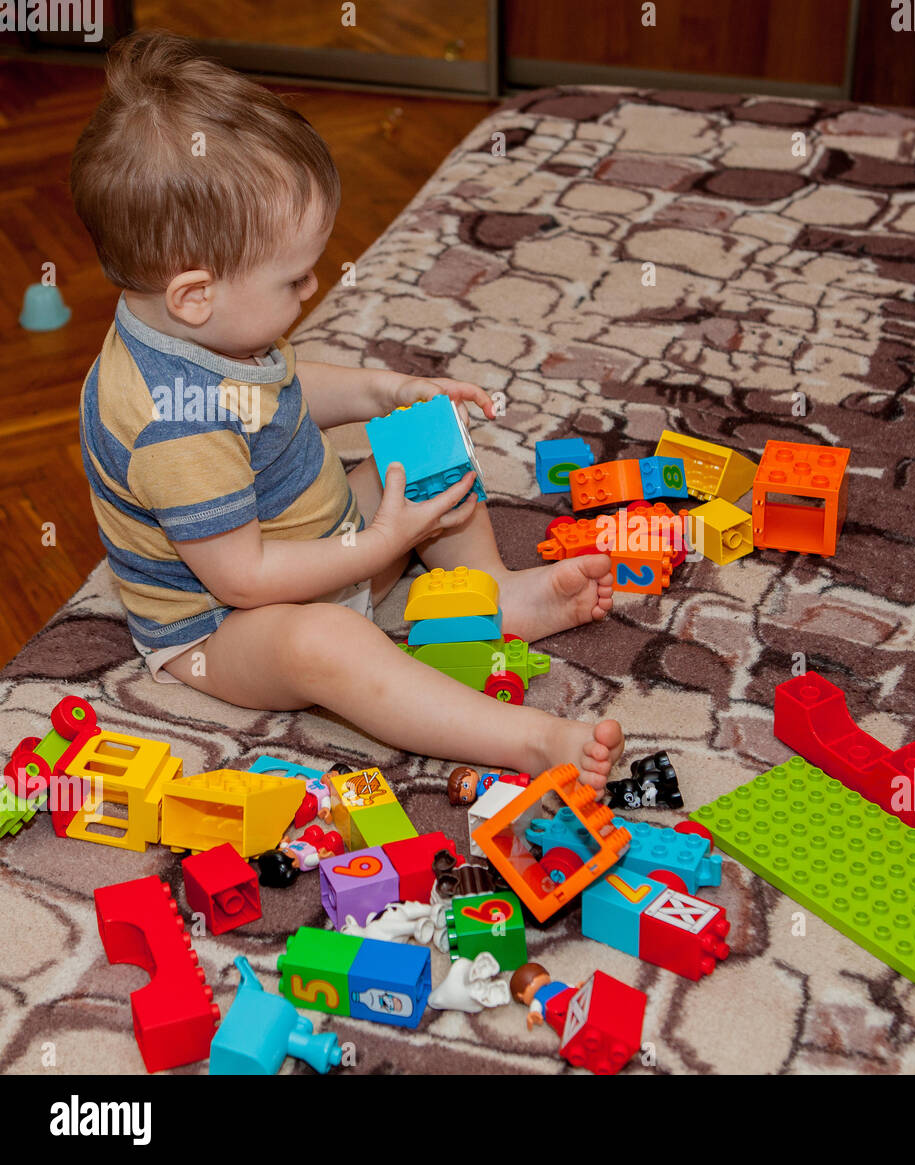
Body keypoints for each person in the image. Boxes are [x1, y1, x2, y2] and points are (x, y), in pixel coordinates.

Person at [70, 31, 623, 787]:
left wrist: (385, 393)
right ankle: (525, 740)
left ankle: (493, 593)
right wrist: (380, 544)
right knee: (325, 643)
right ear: (195, 295)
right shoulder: (175, 424)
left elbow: (287, 389)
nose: (311, 292)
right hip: (227, 624)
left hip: (319, 530)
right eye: (295, 280)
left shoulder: (217, 328)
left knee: (423, 443)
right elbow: (245, 579)